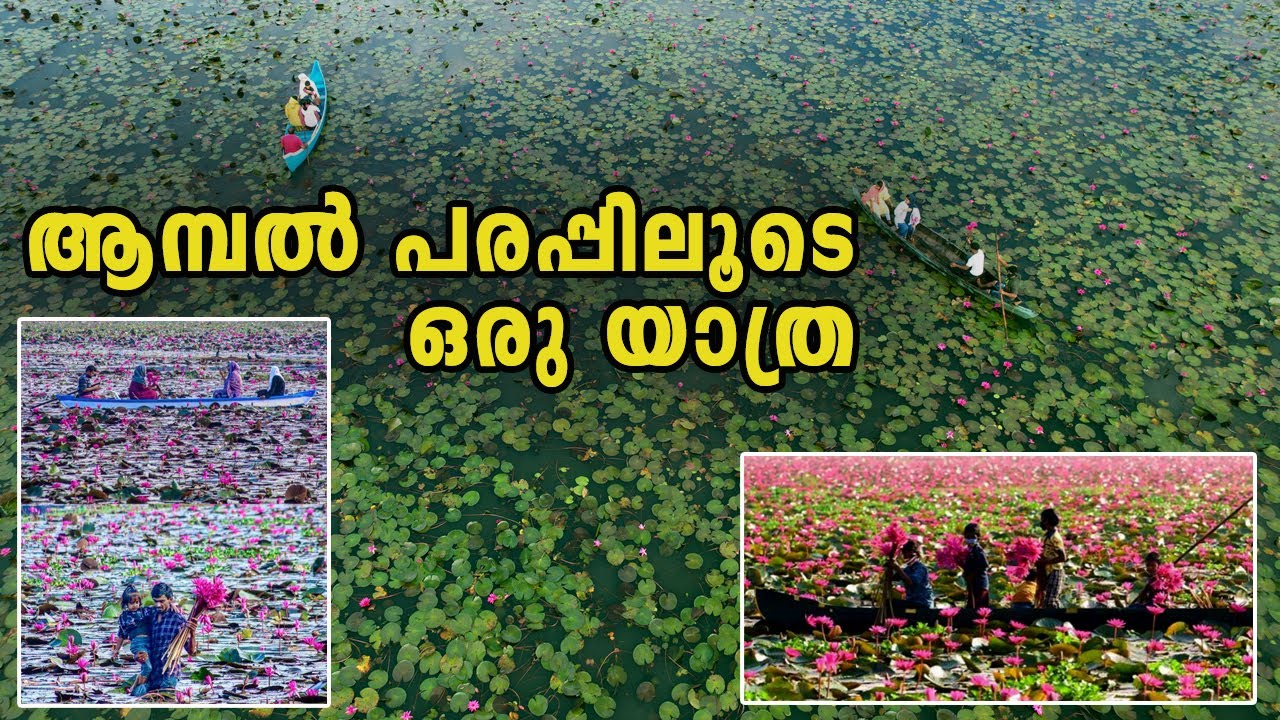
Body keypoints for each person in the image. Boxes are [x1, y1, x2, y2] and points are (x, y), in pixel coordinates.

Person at [132, 583, 196, 697]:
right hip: (152, 673)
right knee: (135, 696)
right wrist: (137, 655)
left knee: (165, 700)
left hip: (169, 674)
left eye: (162, 601)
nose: (158, 605)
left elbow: (191, 651)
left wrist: (192, 633)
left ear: (170, 599)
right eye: (155, 601)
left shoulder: (178, 620)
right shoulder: (151, 614)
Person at [112, 585, 151, 695]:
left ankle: (133, 688)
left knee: (149, 667)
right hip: (138, 644)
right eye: (132, 603)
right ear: (126, 604)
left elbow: (160, 610)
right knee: (148, 667)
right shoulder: (124, 617)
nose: (135, 605)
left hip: (149, 642)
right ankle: (135, 691)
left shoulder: (145, 612)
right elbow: (121, 635)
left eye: (137, 602)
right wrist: (116, 650)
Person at [1035, 508, 1067, 608]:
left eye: (1042, 519)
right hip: (1046, 571)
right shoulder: (1046, 536)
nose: (1041, 522)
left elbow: (1062, 557)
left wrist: (1045, 562)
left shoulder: (1055, 538)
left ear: (1047, 521)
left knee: (1050, 601)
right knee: (1043, 599)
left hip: (1055, 570)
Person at [887, 539, 933, 609]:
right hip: (911, 601)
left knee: (893, 604)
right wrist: (890, 566)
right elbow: (892, 579)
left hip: (922, 602)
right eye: (902, 551)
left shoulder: (920, 567)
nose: (903, 554)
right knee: (889, 602)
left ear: (913, 552)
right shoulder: (907, 567)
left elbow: (910, 582)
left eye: (905, 551)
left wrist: (897, 567)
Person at [961, 522, 990, 609]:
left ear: (978, 537)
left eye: (972, 537)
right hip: (972, 583)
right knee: (971, 607)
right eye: (967, 537)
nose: (969, 539)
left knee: (978, 608)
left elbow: (984, 565)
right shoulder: (968, 550)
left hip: (980, 584)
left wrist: (972, 573)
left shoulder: (978, 550)